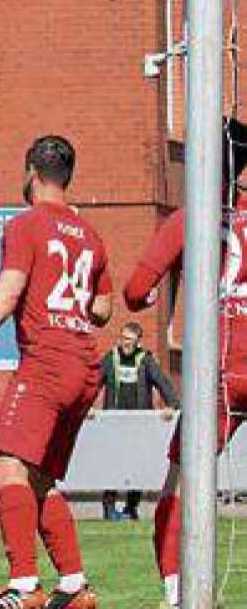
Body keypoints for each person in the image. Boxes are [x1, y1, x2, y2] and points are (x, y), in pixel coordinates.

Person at [0, 135, 112, 609]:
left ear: (31, 172)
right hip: (85, 367)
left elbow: (10, 287)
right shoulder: (90, 235)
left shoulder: (26, 225)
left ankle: (23, 586)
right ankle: (75, 587)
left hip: (47, 361)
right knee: (39, 480)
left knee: (7, 465)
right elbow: (101, 309)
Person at [122, 118, 247, 609]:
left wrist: (157, 290)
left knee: (181, 484)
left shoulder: (187, 220)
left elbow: (134, 293)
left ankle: (177, 594)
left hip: (215, 373)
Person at [94, 321, 178, 522]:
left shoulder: (145, 360)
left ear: (138, 341)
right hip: (113, 423)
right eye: (123, 338)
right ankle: (109, 508)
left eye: (129, 339)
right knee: (112, 466)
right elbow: (93, 382)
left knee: (136, 466)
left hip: (138, 424)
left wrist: (172, 405)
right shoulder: (111, 358)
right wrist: (86, 407)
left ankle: (131, 508)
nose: (125, 343)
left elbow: (163, 383)